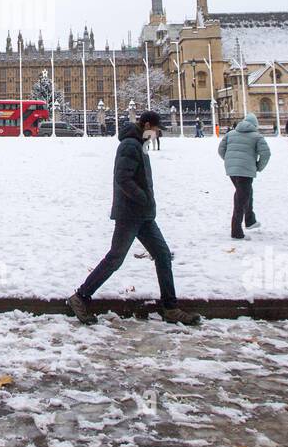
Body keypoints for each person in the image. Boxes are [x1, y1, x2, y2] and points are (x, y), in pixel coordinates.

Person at [67, 111, 201, 326]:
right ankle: (80, 297)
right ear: (147, 125)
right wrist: (142, 198)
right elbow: (123, 178)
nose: (158, 134)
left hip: (143, 214)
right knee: (115, 259)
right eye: (157, 130)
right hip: (131, 213)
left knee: (163, 255)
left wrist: (146, 202)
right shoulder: (130, 145)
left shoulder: (139, 144)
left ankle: (170, 307)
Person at [218, 113, 271, 239]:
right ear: (255, 125)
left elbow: (221, 150)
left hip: (232, 170)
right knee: (241, 198)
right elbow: (266, 154)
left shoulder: (230, 134)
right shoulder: (257, 136)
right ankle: (236, 231)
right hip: (246, 170)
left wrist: (230, 161)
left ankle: (250, 219)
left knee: (246, 193)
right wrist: (258, 167)